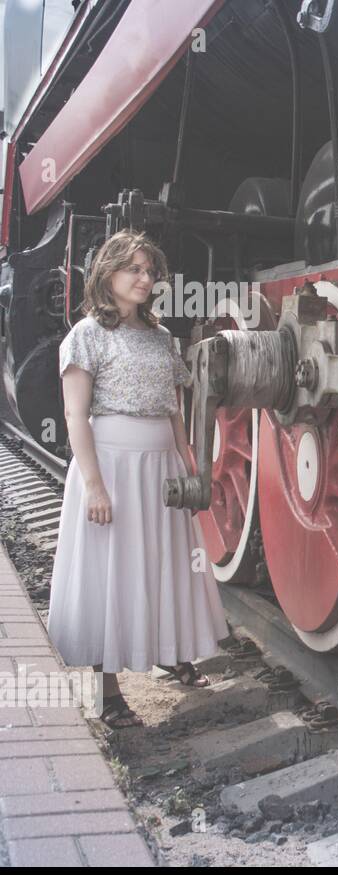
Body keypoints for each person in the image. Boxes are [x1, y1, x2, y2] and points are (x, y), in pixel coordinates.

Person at [47, 230, 226, 728]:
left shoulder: (163, 338)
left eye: (151, 272)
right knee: (114, 572)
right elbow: (75, 415)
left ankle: (169, 651)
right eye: (136, 270)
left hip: (163, 467)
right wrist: (95, 486)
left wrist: (192, 467)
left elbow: (175, 413)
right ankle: (107, 691)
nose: (146, 279)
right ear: (108, 274)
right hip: (113, 467)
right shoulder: (85, 335)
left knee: (165, 562)